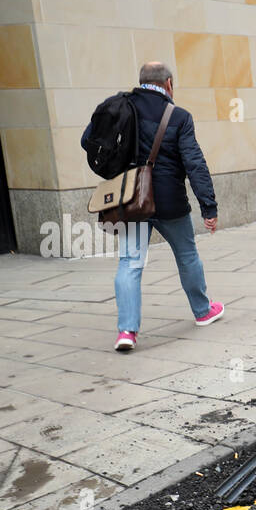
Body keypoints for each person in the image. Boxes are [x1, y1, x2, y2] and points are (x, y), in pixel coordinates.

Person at [82, 62, 222, 352]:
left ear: (142, 81)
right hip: (170, 201)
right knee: (187, 256)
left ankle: (127, 332)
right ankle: (202, 311)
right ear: (169, 83)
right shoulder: (179, 116)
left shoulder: (120, 106)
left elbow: (88, 140)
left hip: (132, 200)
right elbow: (194, 162)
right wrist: (208, 206)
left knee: (130, 263)